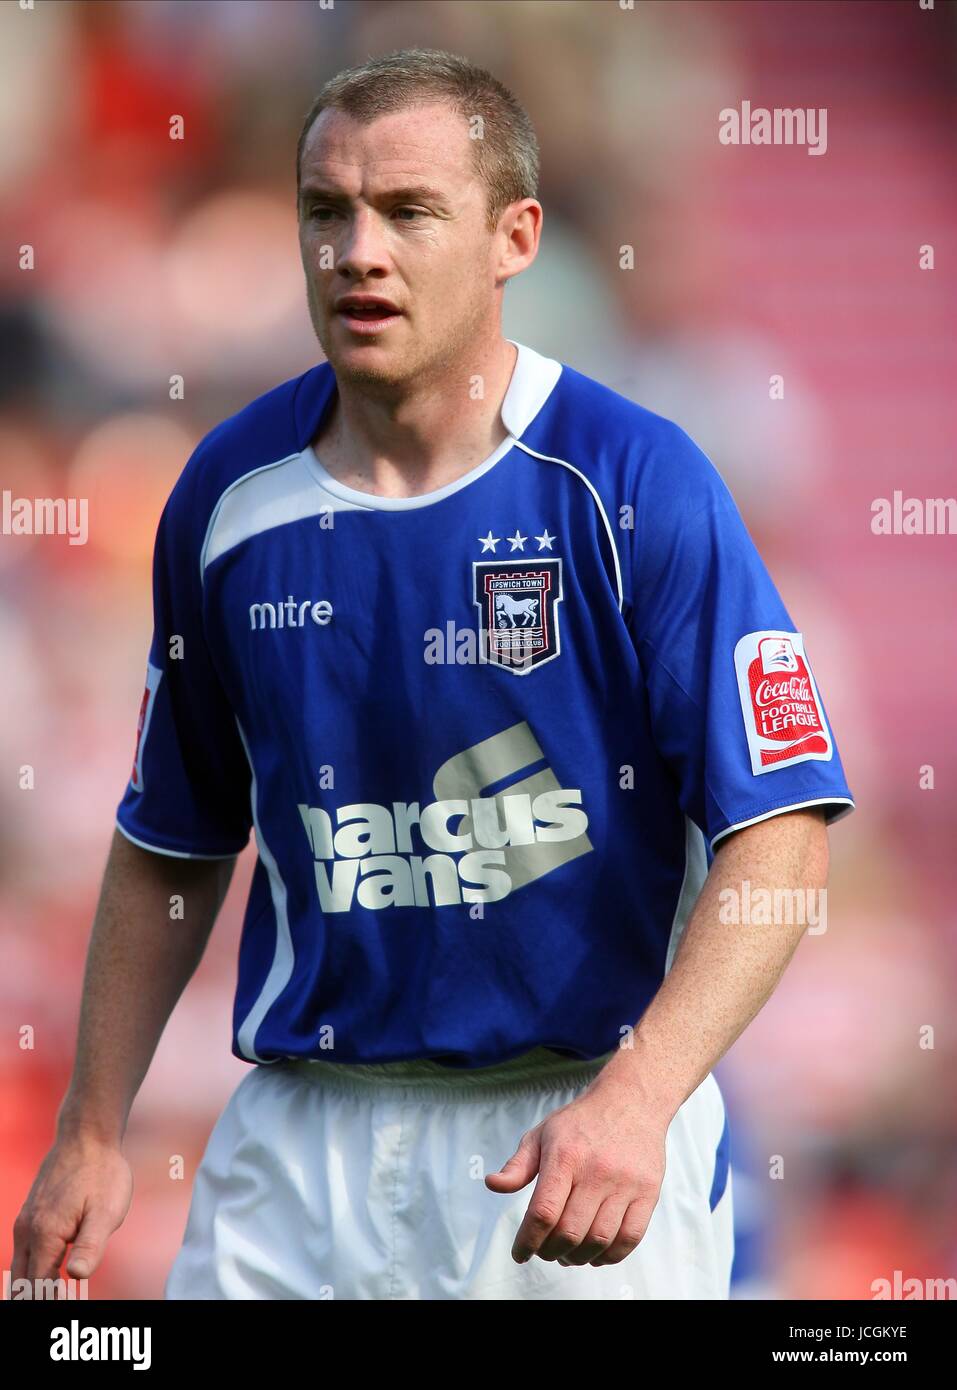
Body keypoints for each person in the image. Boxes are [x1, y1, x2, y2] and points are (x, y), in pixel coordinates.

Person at [13, 48, 854, 1301]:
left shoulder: (635, 484)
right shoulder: (224, 501)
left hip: (574, 1137)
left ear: (515, 237)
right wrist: (89, 1126)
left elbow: (782, 830)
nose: (358, 249)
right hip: (299, 1143)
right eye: (325, 210)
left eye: (407, 211)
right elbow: (173, 841)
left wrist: (639, 1097)